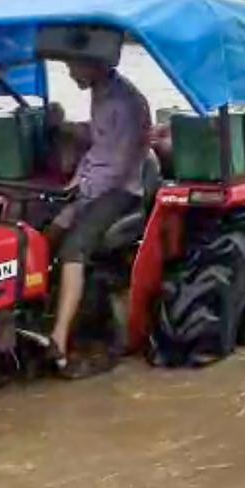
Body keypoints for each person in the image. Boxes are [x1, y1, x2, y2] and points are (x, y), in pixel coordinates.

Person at [47, 57, 152, 375]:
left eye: (73, 66)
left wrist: (78, 196)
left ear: (95, 63)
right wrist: (73, 184)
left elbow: (116, 167)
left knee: (73, 249)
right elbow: (97, 149)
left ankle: (59, 338)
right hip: (94, 184)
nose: (70, 71)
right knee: (44, 229)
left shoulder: (126, 102)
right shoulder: (101, 92)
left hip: (122, 190)